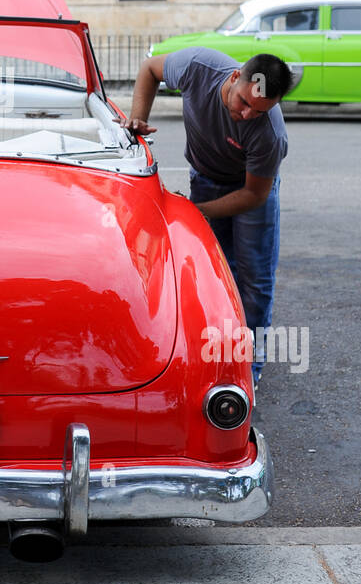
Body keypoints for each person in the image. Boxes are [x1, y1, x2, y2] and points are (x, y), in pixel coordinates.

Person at [124, 47, 293, 386]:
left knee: (254, 279)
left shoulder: (269, 134)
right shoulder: (198, 67)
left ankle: (248, 368)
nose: (246, 115)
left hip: (249, 192)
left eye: (258, 111)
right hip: (204, 178)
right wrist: (137, 119)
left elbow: (254, 194)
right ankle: (214, 353)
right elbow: (149, 70)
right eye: (244, 102)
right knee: (212, 272)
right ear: (234, 78)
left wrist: (196, 212)